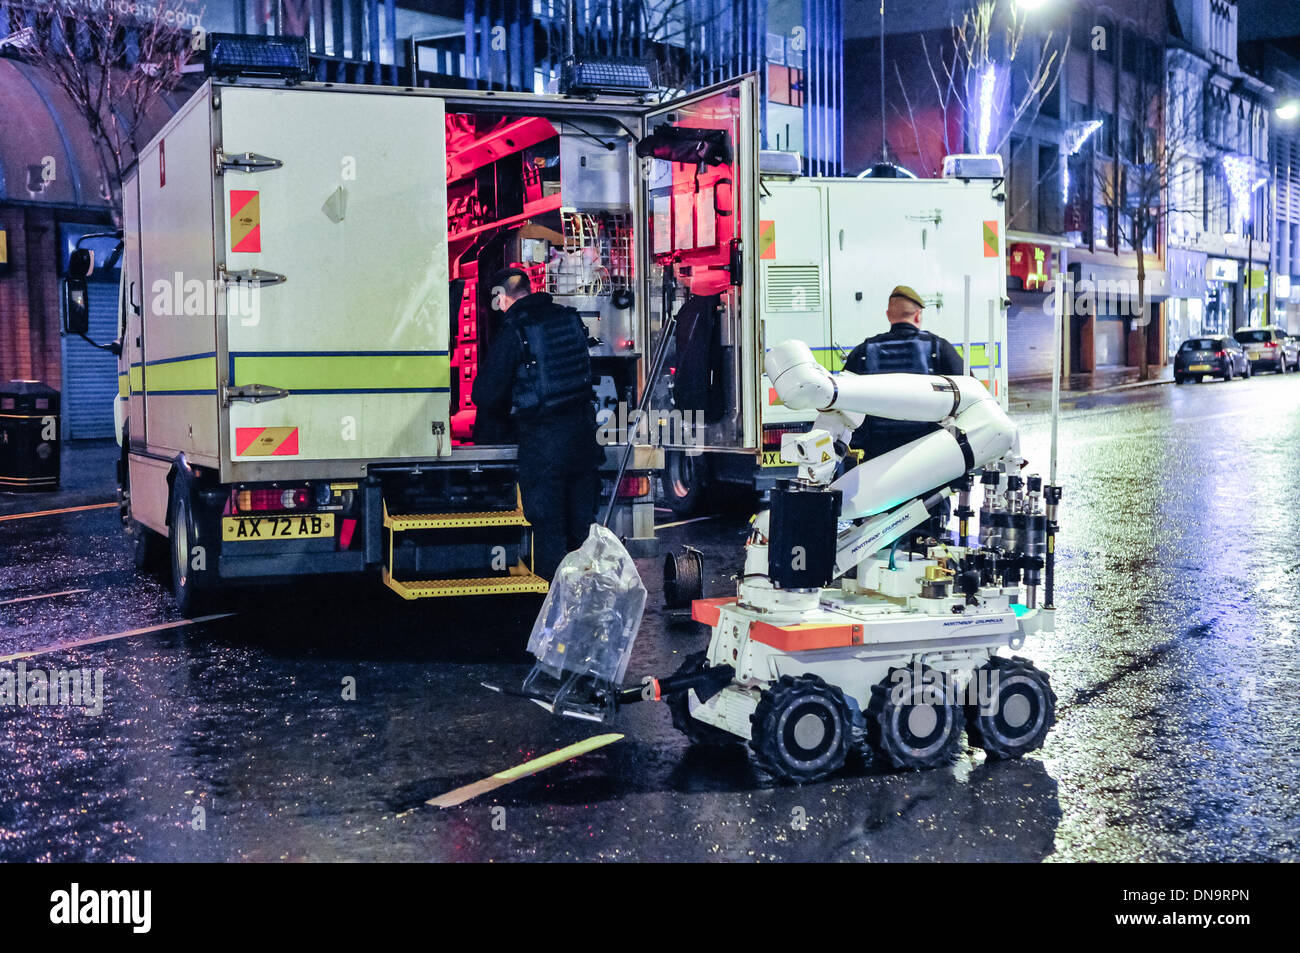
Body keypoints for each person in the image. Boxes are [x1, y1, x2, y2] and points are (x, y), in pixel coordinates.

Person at [472, 266, 599, 581]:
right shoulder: (569, 319)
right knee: (582, 529)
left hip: (545, 446)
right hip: (584, 439)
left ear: (502, 297)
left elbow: (485, 393)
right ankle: (588, 604)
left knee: (549, 533)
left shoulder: (517, 329)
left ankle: (556, 611)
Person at [842, 284, 965, 461]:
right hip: (927, 452)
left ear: (888, 316)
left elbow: (843, 402)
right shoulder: (938, 348)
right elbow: (970, 392)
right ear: (918, 315)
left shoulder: (864, 351)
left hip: (877, 454)